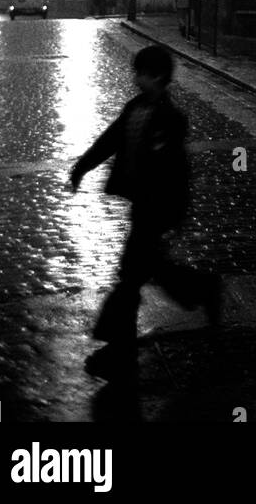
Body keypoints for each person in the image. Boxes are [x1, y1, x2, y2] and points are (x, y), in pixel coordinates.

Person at [68, 43, 221, 381]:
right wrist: (82, 167)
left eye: (143, 74)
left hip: (160, 207)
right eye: (136, 72)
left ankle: (120, 349)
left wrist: (179, 212)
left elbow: (178, 171)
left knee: (130, 274)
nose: (137, 79)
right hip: (141, 205)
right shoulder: (133, 108)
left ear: (159, 77)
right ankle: (204, 289)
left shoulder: (172, 119)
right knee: (155, 269)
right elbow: (109, 141)